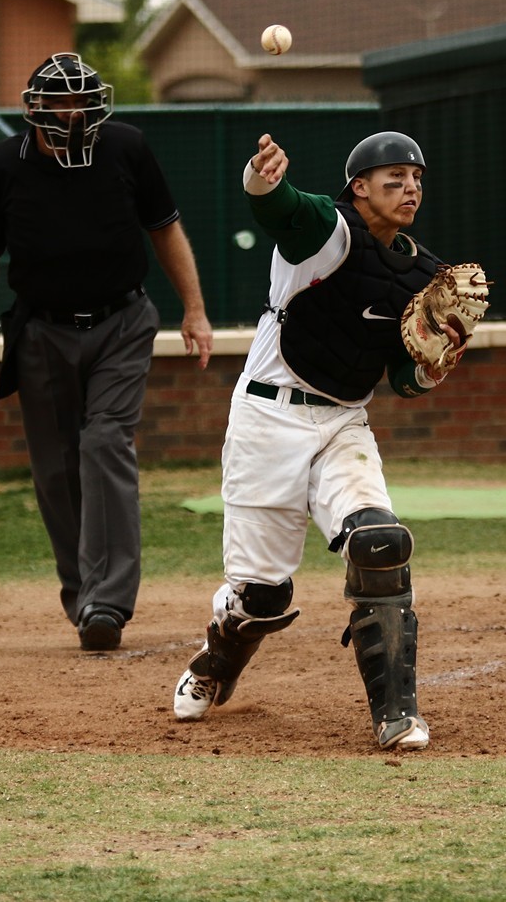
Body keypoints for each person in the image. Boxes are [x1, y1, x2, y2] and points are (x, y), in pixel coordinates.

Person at [171, 130, 474, 753]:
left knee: (381, 542)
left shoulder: (424, 272)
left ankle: (397, 715)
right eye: (394, 178)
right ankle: (217, 659)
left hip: (343, 422)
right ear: (359, 187)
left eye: (416, 178)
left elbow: (400, 378)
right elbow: (279, 207)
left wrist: (430, 366)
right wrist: (266, 177)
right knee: (261, 597)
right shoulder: (327, 231)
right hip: (267, 419)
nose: (410, 187)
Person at [0, 52, 213, 653]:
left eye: (81, 101)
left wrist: (194, 309)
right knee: (55, 468)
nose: (70, 113)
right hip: (41, 331)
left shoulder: (127, 148)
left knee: (104, 442)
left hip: (121, 322)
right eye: (58, 103)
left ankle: (109, 600)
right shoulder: (0, 167)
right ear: (34, 109)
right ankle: (84, 599)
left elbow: (165, 229)